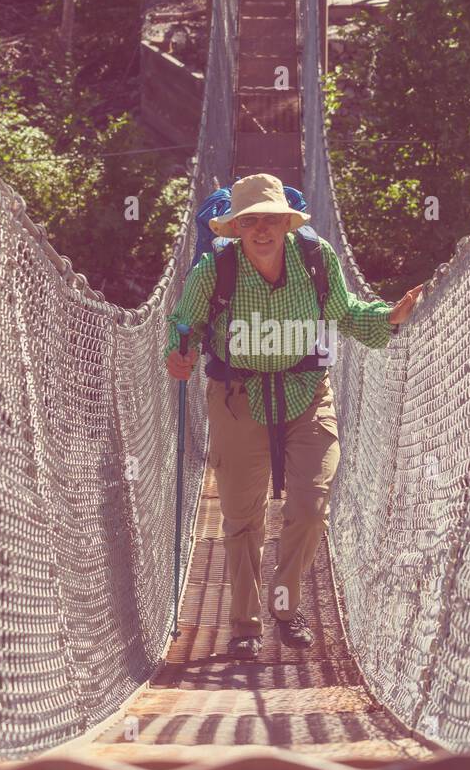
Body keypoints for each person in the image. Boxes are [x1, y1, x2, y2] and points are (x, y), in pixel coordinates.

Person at [165, 173, 423, 660]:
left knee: (310, 507)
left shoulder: (315, 258)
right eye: (251, 221)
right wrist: (176, 355)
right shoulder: (213, 269)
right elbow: (185, 324)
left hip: (306, 393)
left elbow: (345, 315)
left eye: (272, 219)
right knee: (242, 519)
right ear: (236, 227)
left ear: (288, 222)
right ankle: (245, 625)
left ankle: (285, 605)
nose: (262, 229)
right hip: (236, 397)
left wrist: (389, 318)